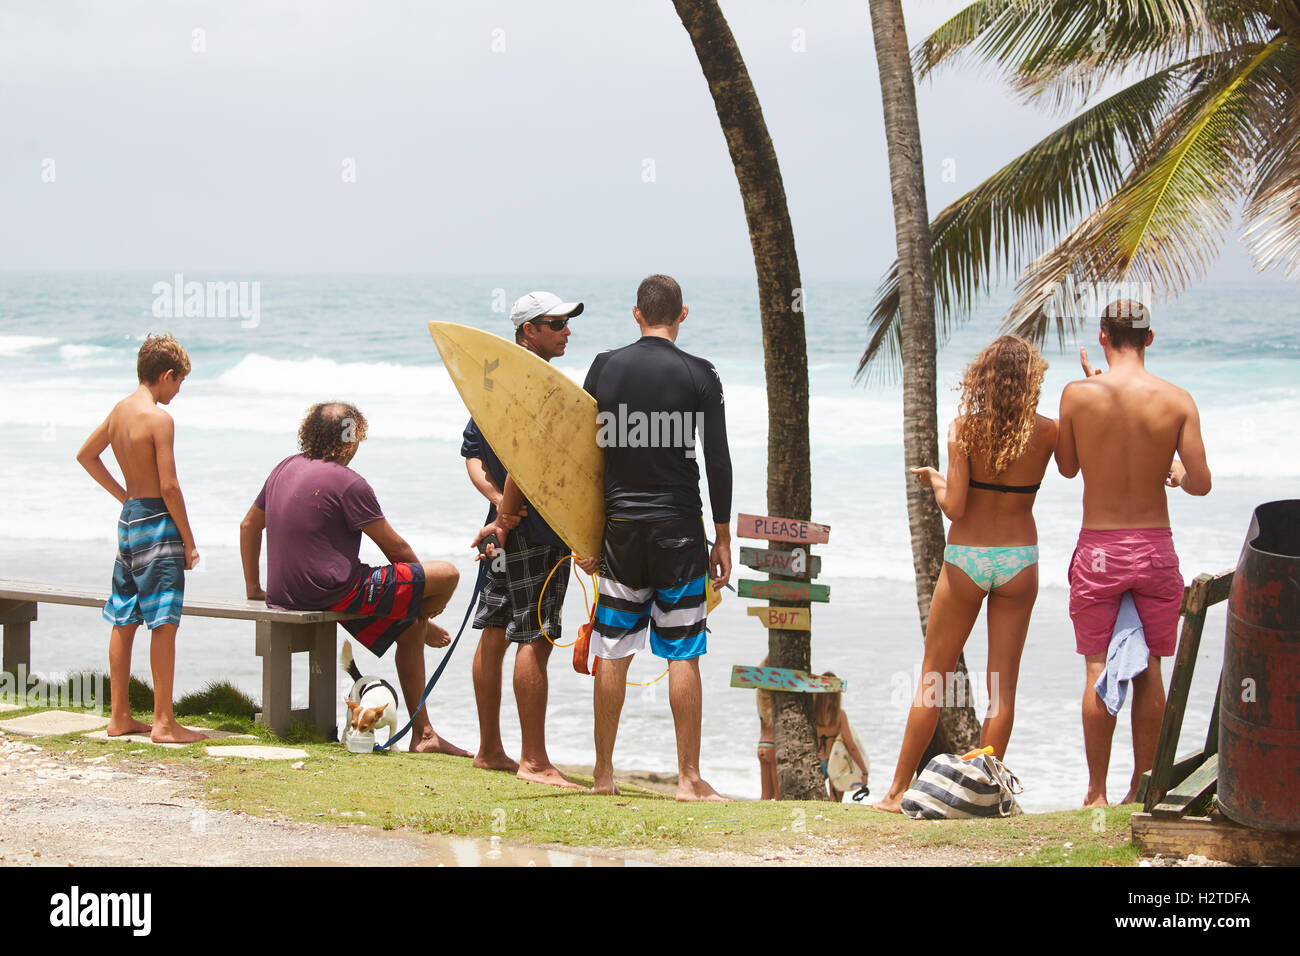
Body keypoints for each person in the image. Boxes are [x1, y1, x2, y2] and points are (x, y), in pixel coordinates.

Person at [481, 275, 733, 800]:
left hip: (619, 530)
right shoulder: (701, 374)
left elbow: (575, 451)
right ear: (682, 314)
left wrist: (582, 530)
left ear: (636, 314)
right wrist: (723, 537)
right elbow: (717, 461)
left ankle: (603, 776)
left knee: (614, 649)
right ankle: (689, 779)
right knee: (683, 651)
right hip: (680, 531)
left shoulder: (605, 367)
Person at [875, 335, 1057, 813]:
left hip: (968, 558)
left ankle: (896, 793)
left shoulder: (963, 429)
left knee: (933, 677)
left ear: (984, 379)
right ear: (1031, 381)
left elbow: (955, 508)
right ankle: (984, 795)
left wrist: (937, 480)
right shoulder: (1049, 432)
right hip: (1019, 560)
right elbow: (1078, 468)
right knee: (1002, 689)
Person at [239, 402, 467, 755]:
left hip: (285, 594)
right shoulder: (349, 484)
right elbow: (397, 549)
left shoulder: (283, 467)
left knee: (408, 630)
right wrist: (421, 605)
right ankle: (420, 629)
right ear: (350, 439)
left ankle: (424, 735)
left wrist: (254, 587)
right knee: (447, 574)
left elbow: (248, 525)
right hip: (333, 591)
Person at [1056, 300, 1211, 807]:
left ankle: (1096, 794)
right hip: (1154, 549)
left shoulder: (1077, 395)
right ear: (1149, 339)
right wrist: (1177, 475)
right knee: (1151, 672)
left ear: (1102, 337)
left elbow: (1068, 467)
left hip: (1099, 549)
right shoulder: (1177, 400)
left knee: (1097, 667)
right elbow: (1201, 484)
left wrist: (1089, 393)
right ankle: (1143, 788)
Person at [463, 290, 585, 788]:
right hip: (536, 533)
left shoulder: (494, 383)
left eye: (565, 323)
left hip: (499, 533)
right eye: (555, 324)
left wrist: (495, 507)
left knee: (494, 631)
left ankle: (490, 749)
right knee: (535, 637)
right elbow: (525, 461)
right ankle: (534, 761)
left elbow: (472, 454)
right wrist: (509, 510)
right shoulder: (541, 387)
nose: (566, 331)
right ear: (528, 331)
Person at [76, 333, 207, 744]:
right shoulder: (158, 419)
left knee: (124, 615)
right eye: (179, 381)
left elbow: (86, 455)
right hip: (157, 523)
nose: (179, 390)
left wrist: (124, 496)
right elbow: (170, 486)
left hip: (129, 521)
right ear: (166, 375)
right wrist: (189, 541)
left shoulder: (119, 412)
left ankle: (119, 717)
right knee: (163, 620)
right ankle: (164, 722)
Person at [812, 671, 870, 802]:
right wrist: (864, 771)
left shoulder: (812, 712)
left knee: (814, 802)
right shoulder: (839, 715)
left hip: (816, 761)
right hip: (835, 763)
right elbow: (851, 746)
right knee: (835, 803)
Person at [756, 657, 777, 800]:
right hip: (774, 745)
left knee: (765, 796)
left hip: (762, 744)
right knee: (778, 796)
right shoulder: (778, 697)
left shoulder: (761, 695)